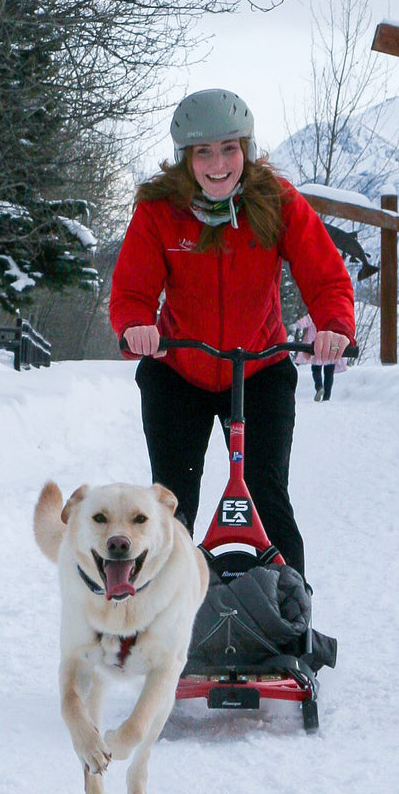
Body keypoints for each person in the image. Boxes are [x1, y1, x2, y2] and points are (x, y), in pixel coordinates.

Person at [109, 88, 355, 578]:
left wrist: (333, 326)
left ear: (246, 148)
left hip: (259, 369)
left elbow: (324, 274)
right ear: (186, 158)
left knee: (266, 493)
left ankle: (289, 613)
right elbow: (131, 289)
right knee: (172, 502)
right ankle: (163, 619)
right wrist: (136, 326)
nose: (218, 164)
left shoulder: (276, 201)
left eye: (228, 149)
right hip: (180, 370)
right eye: (204, 152)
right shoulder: (160, 211)